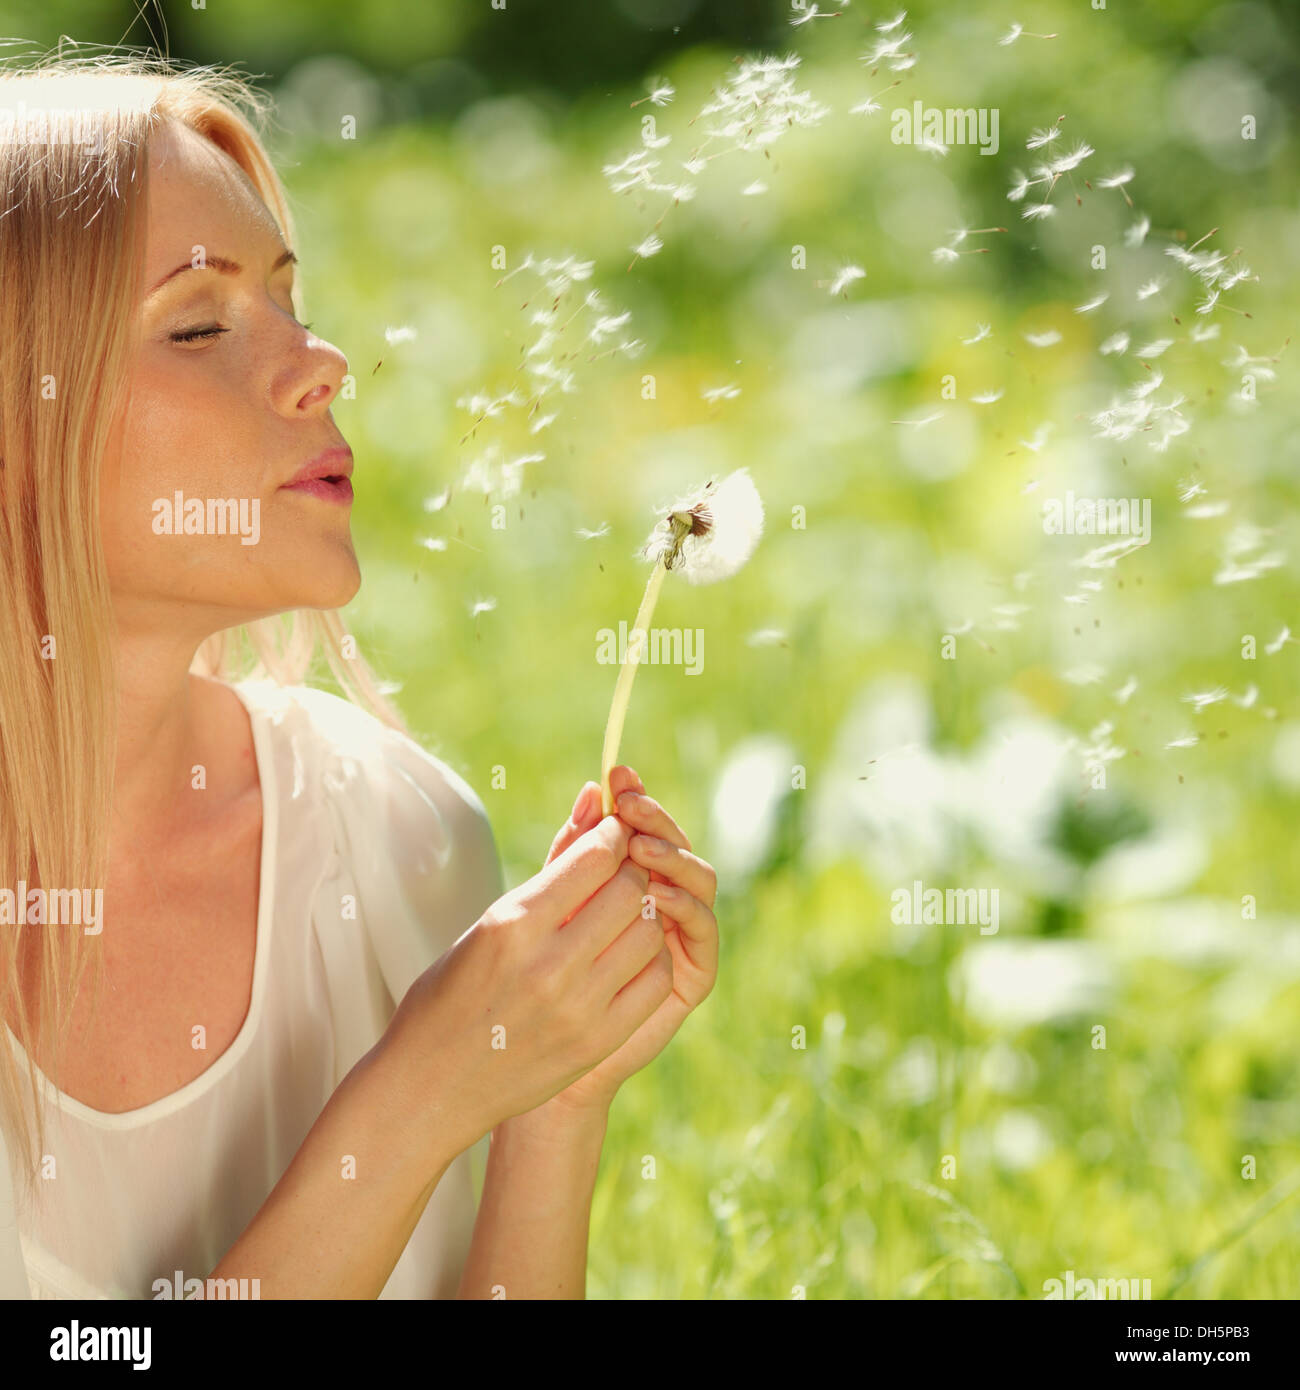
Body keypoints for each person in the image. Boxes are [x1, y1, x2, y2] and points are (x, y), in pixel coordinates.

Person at [0, 50, 718, 1300]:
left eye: (290, 301)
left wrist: (551, 1101)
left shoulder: (390, 834)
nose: (320, 363)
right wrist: (416, 1099)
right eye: (199, 323)